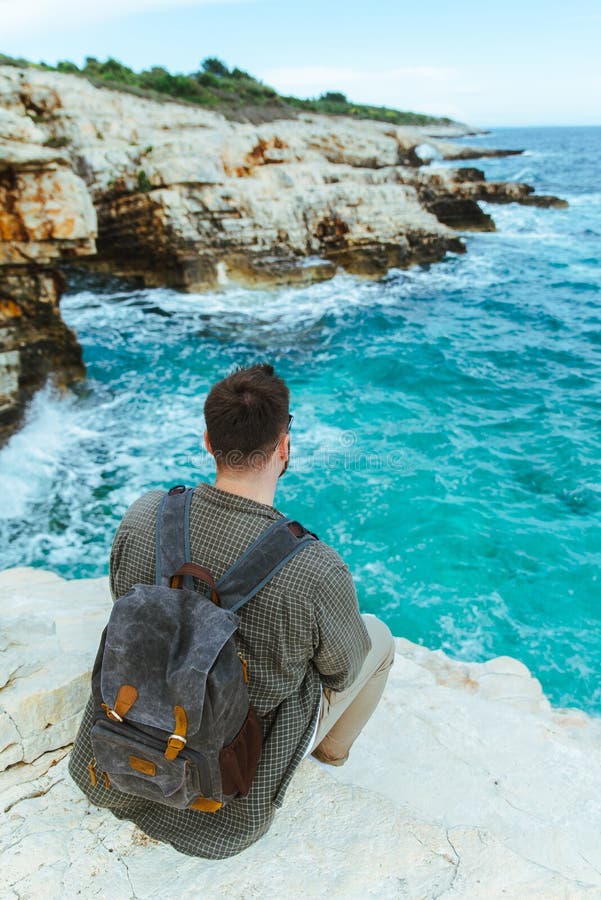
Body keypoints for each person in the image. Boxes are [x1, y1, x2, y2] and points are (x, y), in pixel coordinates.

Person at [69, 363, 395, 858]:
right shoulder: (315, 570)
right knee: (380, 640)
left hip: (115, 756)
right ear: (283, 447)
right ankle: (330, 755)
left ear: (208, 440)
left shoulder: (145, 515)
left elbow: (121, 598)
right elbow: (342, 671)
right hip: (224, 800)